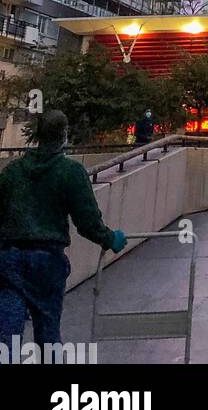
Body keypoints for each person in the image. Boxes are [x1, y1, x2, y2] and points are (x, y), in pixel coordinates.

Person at [0, 110, 126, 353]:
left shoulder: (12, 172)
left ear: (37, 136)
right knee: (48, 334)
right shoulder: (69, 172)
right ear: (64, 135)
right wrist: (110, 239)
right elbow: (87, 222)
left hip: (10, 261)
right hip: (47, 262)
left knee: (7, 333)